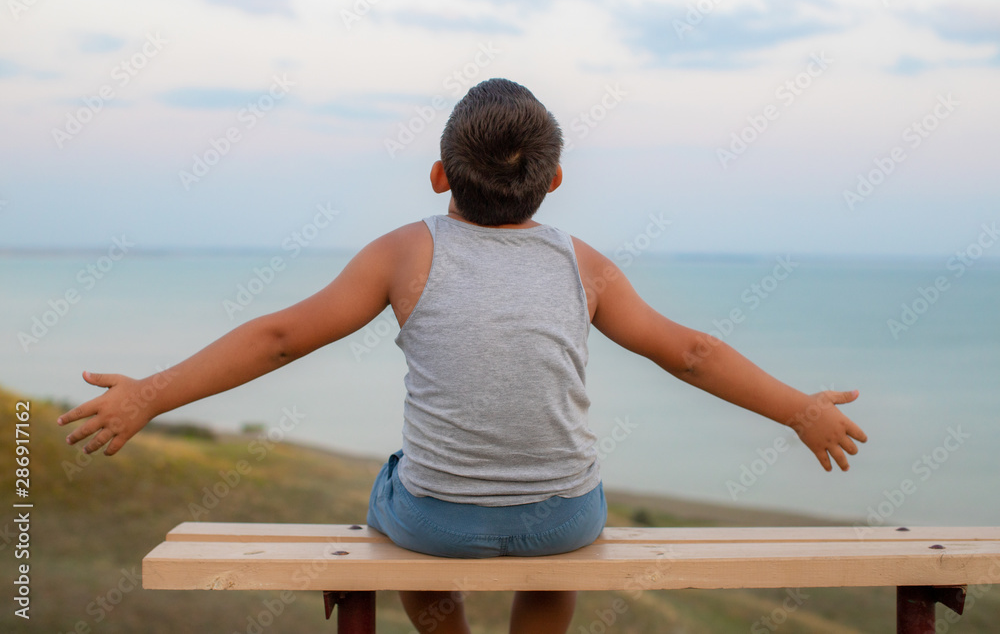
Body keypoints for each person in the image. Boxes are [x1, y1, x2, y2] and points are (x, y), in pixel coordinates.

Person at [57, 77, 867, 634]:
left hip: (437, 521)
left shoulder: (403, 254)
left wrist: (149, 396)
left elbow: (277, 338)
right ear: (554, 184)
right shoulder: (581, 264)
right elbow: (692, 352)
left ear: (441, 173)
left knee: (394, 488)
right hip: (564, 520)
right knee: (555, 554)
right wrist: (800, 409)